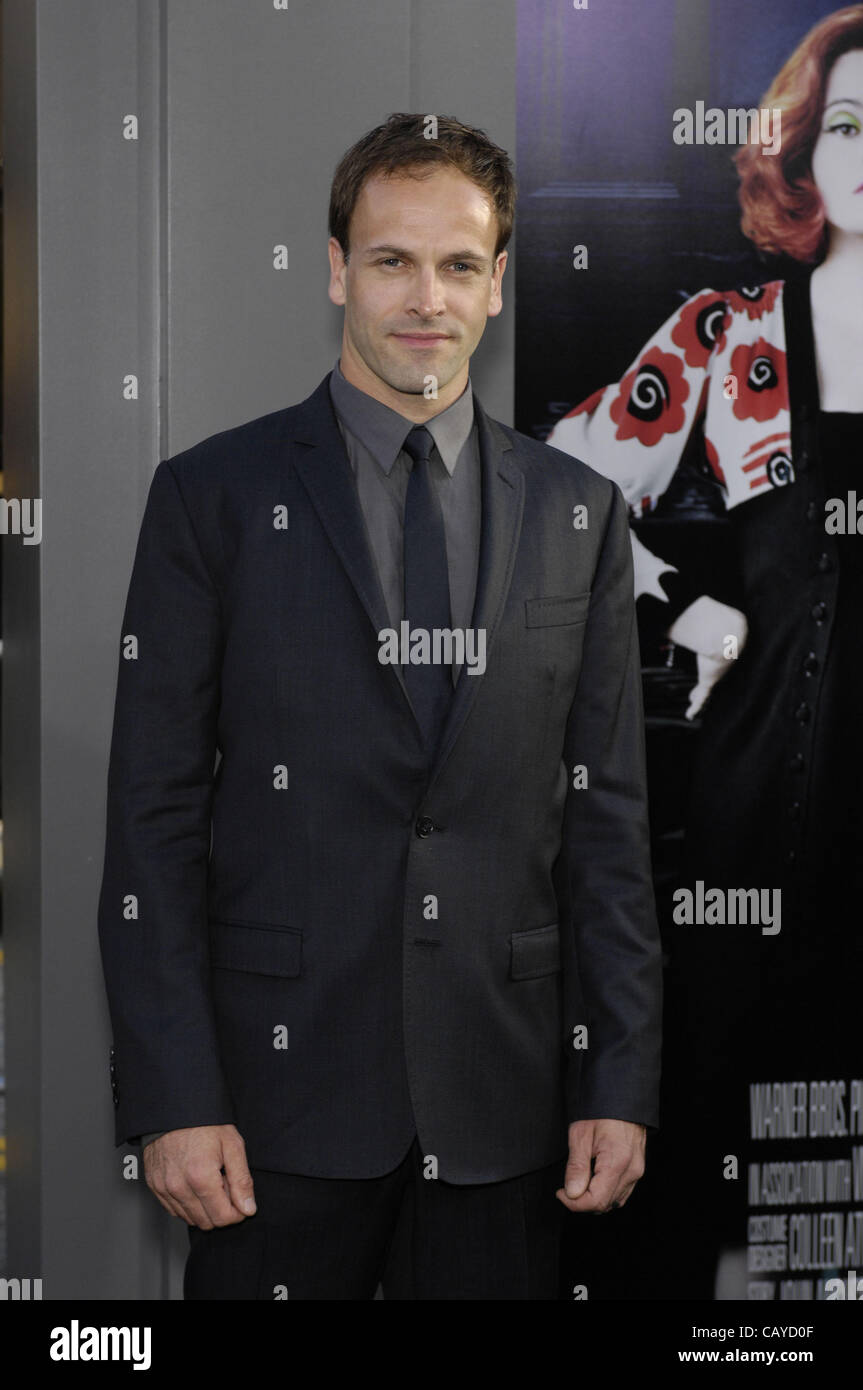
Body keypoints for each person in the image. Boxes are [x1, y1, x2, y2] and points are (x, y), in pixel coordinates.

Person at [98, 112, 662, 1301]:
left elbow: (605, 828)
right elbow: (150, 819)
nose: (425, 298)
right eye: (391, 259)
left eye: (459, 264)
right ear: (334, 267)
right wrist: (174, 1097)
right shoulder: (214, 497)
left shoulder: (579, 510)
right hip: (268, 1120)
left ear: (499, 284)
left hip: (504, 1119)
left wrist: (616, 1081)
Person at [548, 7, 863, 1296]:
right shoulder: (729, 332)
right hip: (765, 822)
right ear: (799, 149)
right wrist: (682, 601)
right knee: (757, 1187)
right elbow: (557, 486)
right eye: (844, 121)